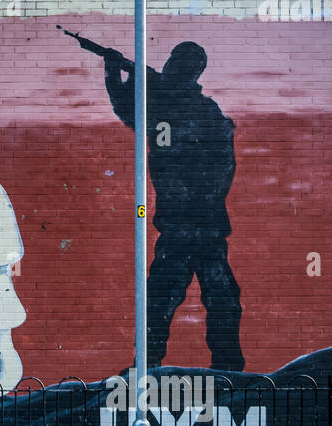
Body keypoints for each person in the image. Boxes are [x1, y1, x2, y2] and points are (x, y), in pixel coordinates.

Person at [102, 41, 245, 372]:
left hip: (200, 227)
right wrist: (116, 71)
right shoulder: (165, 105)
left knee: (220, 301)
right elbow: (126, 107)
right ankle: (147, 367)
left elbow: (223, 163)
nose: (170, 66)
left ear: (190, 70)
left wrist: (128, 78)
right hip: (183, 228)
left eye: (177, 62)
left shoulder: (203, 112)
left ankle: (228, 369)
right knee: (161, 303)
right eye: (171, 60)